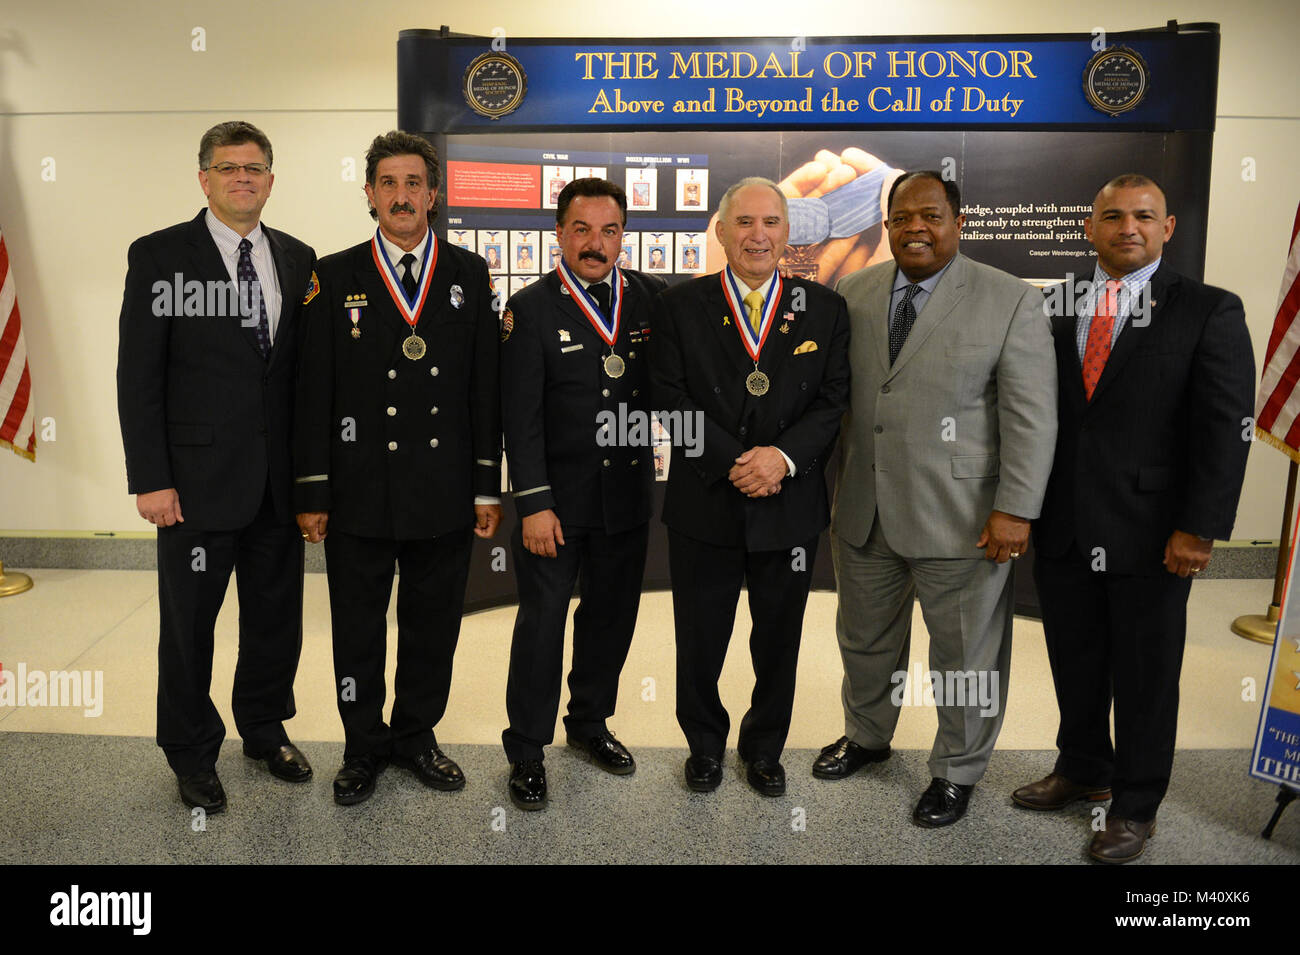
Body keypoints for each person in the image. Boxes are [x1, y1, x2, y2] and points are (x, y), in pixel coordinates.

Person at [1015, 174, 1254, 862]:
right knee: (1075, 658)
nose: (1128, 227)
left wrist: (1200, 526)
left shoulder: (1208, 310)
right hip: (1064, 523)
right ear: (1088, 227)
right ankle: (1084, 766)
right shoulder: (1054, 305)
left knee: (1147, 674)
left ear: (1167, 228)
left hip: (1155, 534)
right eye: (1112, 215)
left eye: (1144, 216)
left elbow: (1223, 427)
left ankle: (1136, 803)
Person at [820, 170, 1057, 827]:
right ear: (887, 224)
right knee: (865, 642)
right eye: (901, 217)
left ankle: (956, 770)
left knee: (962, 655)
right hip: (865, 512)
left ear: (958, 222)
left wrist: (1016, 508)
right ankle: (867, 737)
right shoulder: (856, 291)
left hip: (965, 520)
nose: (915, 227)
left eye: (930, 215)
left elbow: (1031, 416)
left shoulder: (1008, 299)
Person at [294, 130, 502, 806]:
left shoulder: (469, 273)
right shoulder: (335, 273)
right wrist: (314, 488)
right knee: (356, 627)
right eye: (389, 183)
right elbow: (314, 389)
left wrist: (483, 483)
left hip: (442, 491)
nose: (402, 195)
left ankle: (416, 734)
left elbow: (484, 390)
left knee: (432, 623)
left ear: (434, 194)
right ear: (370, 195)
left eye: (415, 182)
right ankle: (362, 745)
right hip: (358, 492)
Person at [116, 121, 317, 813]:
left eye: (255, 167)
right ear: (203, 178)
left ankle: (263, 728)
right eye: (228, 167)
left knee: (274, 618)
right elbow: (137, 374)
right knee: (189, 626)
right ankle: (191, 750)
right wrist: (150, 476)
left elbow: (297, 379)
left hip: (277, 485)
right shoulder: (160, 255)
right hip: (194, 487)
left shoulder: (297, 257)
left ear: (270, 178)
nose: (242, 178)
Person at [651, 177, 850, 796]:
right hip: (705, 500)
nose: (757, 236)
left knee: (778, 639)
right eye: (743, 223)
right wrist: (737, 460)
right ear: (721, 232)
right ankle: (704, 746)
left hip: (788, 506)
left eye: (770, 223)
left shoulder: (825, 308)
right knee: (701, 637)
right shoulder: (680, 305)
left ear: (788, 234)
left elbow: (832, 401)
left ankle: (764, 748)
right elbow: (666, 397)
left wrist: (781, 459)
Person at [499, 178, 665, 810]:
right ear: (560, 233)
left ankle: (590, 724)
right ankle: (527, 748)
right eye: (583, 230)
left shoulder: (651, 299)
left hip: (624, 498)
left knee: (610, 617)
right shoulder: (530, 308)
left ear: (624, 234)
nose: (597, 244)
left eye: (610, 230)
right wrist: (534, 503)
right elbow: (521, 417)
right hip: (556, 505)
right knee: (541, 625)